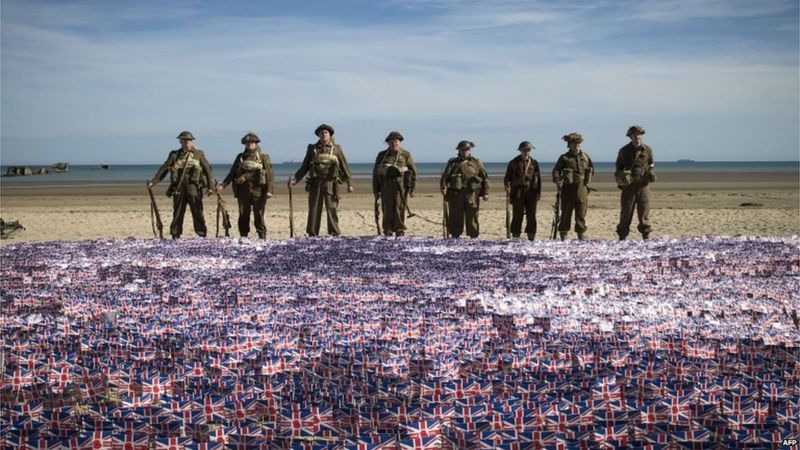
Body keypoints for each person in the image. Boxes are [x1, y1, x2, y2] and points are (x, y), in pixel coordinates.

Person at [288, 124, 353, 236]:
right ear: (318, 135)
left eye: (326, 132)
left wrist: (349, 183)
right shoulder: (312, 149)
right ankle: (312, 233)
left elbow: (344, 167)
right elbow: (304, 167)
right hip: (315, 184)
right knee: (314, 209)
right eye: (321, 133)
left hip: (331, 184)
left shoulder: (336, 149)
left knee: (332, 208)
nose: (324, 134)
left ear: (330, 135)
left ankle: (334, 233)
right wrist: (295, 180)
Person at [149, 131, 214, 239]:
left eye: (188, 140)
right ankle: (175, 234)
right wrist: (153, 182)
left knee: (197, 212)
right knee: (178, 213)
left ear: (191, 141)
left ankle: (201, 234)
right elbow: (164, 169)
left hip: (193, 187)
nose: (186, 142)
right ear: (180, 141)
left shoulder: (199, 154)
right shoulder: (174, 154)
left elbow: (208, 170)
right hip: (178, 188)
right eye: (183, 140)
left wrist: (211, 187)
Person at [217, 133, 275, 239]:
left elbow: (270, 176)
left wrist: (269, 190)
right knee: (243, 215)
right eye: (247, 143)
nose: (249, 145)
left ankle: (262, 237)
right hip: (243, 192)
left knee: (259, 215)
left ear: (256, 144)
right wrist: (223, 185)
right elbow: (232, 173)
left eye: (252, 143)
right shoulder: (240, 157)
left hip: (259, 191)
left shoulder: (262, 157)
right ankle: (244, 236)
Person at [440, 140, 489, 238]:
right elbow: (445, 177)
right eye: (463, 150)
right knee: (455, 216)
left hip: (471, 194)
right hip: (456, 194)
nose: (465, 151)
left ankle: (473, 236)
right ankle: (455, 235)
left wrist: (486, 192)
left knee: (472, 216)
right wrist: (443, 187)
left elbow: (484, 178)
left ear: (470, 150)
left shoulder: (476, 162)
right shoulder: (453, 163)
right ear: (459, 150)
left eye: (467, 149)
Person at [372, 131, 417, 237]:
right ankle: (387, 229)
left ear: (400, 142)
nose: (394, 144)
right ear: (388, 143)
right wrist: (376, 190)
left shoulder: (406, 155)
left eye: (396, 142)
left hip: (400, 188)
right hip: (385, 186)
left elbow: (413, 172)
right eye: (391, 142)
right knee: (387, 209)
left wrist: (412, 189)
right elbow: (375, 173)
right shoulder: (382, 155)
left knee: (399, 208)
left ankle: (399, 229)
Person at [615, 125, 655, 240]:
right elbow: (618, 168)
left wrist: (651, 173)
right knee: (626, 212)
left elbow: (651, 164)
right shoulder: (624, 151)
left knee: (644, 211)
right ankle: (622, 236)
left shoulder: (647, 150)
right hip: (629, 186)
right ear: (630, 137)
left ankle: (646, 236)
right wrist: (622, 178)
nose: (637, 137)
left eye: (639, 134)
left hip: (643, 185)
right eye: (635, 134)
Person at [552, 132, 594, 240]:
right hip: (568, 190)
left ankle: (581, 235)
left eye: (578, 144)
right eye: (574, 144)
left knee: (581, 214)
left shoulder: (586, 157)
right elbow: (556, 171)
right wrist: (558, 180)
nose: (577, 146)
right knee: (566, 213)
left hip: (582, 189)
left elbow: (591, 170)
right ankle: (563, 236)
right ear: (569, 145)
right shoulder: (564, 158)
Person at [504, 141, 541, 240]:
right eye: (524, 150)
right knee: (517, 214)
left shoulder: (534, 163)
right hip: (518, 192)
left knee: (531, 215)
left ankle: (531, 235)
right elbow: (507, 178)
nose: (526, 152)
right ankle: (516, 235)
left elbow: (538, 179)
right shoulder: (513, 163)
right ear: (520, 151)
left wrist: (538, 193)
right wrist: (508, 189)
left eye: (528, 150)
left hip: (531, 191)